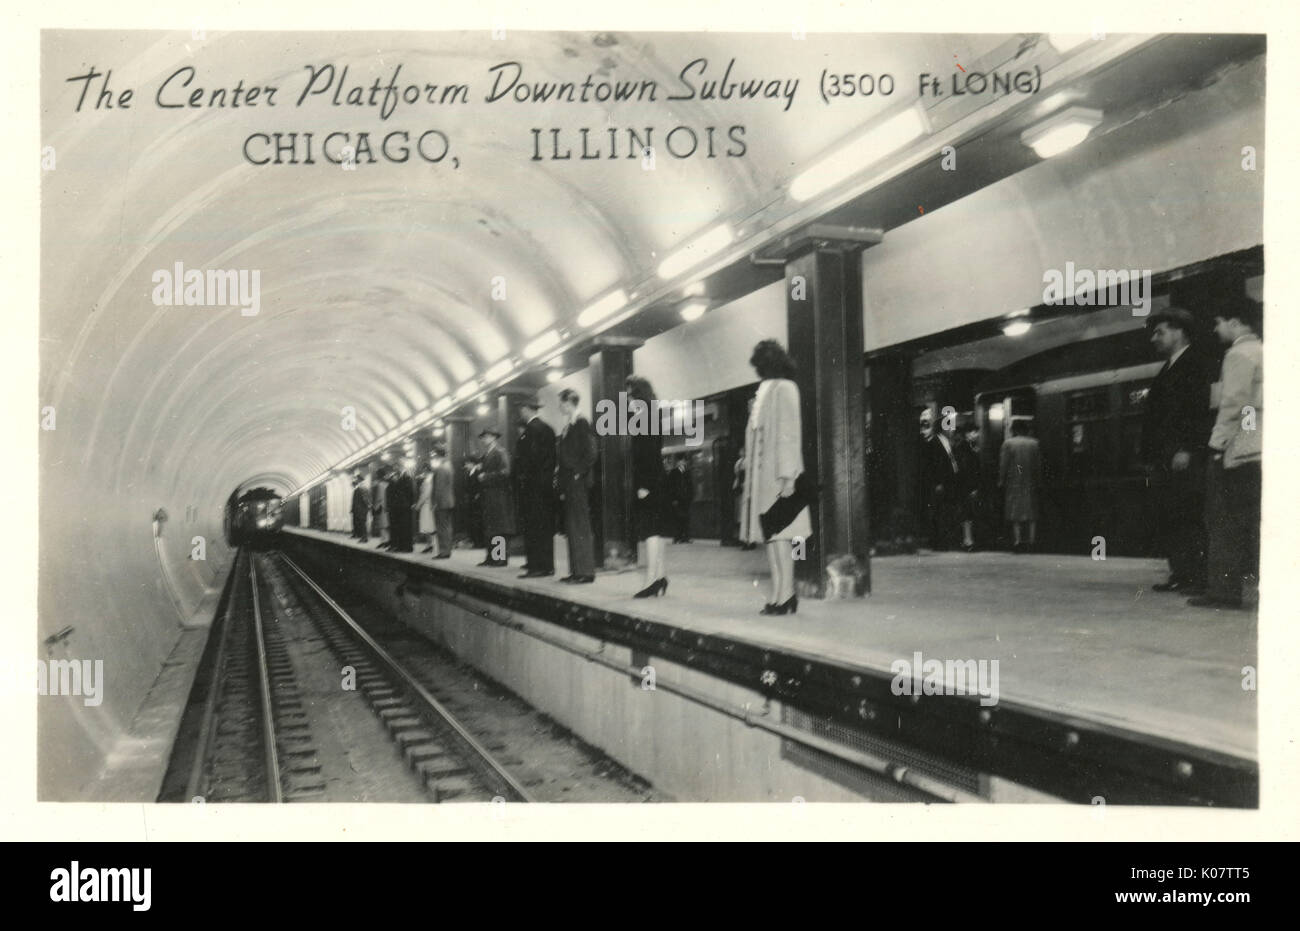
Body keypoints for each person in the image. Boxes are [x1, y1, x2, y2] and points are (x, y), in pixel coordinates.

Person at [1190, 298, 1262, 609]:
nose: (1217, 330)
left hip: (1240, 451)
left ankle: (1224, 591)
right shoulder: (1266, 350)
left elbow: (1234, 404)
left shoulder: (1238, 354)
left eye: (1219, 323)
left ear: (1234, 322)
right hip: (1265, 451)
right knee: (1257, 522)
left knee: (1222, 520)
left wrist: (1216, 445)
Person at [1141, 307, 1212, 594]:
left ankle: (1196, 576)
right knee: (1172, 515)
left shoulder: (1195, 364)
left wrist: (1188, 449)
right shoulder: (1170, 367)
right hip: (1166, 457)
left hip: (1183, 456)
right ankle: (1182, 574)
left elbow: (1199, 412)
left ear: (1180, 331)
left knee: (1188, 515)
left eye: (1160, 332)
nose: (1154, 339)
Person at [739, 339, 812, 615]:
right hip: (762, 479)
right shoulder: (766, 390)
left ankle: (787, 593)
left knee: (782, 535)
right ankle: (780, 594)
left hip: (779, 476)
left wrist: (788, 476)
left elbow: (789, 434)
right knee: (772, 536)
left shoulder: (785, 388)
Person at [626, 376, 671, 597]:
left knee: (650, 532)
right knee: (658, 531)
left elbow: (647, 455)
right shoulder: (652, 415)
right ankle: (660, 576)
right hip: (656, 481)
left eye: (630, 396)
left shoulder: (644, 418)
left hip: (648, 481)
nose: (628, 401)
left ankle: (651, 581)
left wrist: (643, 485)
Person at [555, 387, 597, 584]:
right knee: (572, 527)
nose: (559, 407)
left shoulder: (581, 422)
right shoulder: (569, 424)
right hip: (569, 482)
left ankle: (586, 572)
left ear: (568, 402)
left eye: (561, 403)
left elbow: (591, 453)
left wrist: (578, 474)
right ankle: (576, 570)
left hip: (577, 482)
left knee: (580, 526)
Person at [516, 397, 557, 578]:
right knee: (545, 526)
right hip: (545, 486)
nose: (520, 413)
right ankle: (547, 566)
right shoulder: (548, 429)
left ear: (526, 409)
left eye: (521, 409)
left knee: (533, 526)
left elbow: (529, 459)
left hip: (533, 487)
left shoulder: (531, 430)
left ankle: (536, 566)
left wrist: (524, 478)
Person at [918, 409, 959, 550]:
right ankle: (938, 541)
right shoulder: (935, 442)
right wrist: (938, 482)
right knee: (938, 512)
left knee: (942, 512)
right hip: (940, 484)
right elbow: (936, 464)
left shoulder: (944, 441)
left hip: (946, 483)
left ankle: (941, 540)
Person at [998, 419, 1041, 552]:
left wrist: (1001, 480)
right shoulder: (1035, 443)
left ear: (1014, 430)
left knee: (1015, 512)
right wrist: (1038, 480)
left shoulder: (1008, 444)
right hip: (1030, 482)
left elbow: (1003, 465)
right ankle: (1032, 542)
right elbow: (1038, 465)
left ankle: (1018, 542)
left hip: (1014, 481)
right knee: (1031, 511)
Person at [476, 428, 515, 567]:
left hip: (499, 496)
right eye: (483, 437)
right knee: (491, 527)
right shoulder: (487, 454)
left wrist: (486, 476)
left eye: (486, 437)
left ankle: (500, 557)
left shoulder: (500, 452)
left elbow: (505, 472)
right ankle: (492, 557)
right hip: (490, 496)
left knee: (498, 527)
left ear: (493, 437)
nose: (483, 439)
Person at [952, 418, 981, 552]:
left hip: (964, 486)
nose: (977, 435)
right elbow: (967, 470)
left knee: (967, 514)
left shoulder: (964, 448)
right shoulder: (966, 449)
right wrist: (973, 487)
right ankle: (968, 541)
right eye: (975, 432)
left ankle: (967, 540)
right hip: (967, 487)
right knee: (967, 514)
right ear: (968, 434)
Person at [429, 445, 455, 558]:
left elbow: (438, 488)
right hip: (449, 501)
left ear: (436, 455)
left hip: (441, 502)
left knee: (441, 527)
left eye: (433, 455)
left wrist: (435, 503)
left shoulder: (440, 468)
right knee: (447, 526)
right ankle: (447, 550)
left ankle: (443, 551)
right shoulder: (449, 466)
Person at [386, 459, 416, 552]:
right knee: (399, 527)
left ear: (401, 466)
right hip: (397, 506)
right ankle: (399, 546)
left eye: (397, 466)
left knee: (405, 527)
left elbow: (411, 491)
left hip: (405, 506)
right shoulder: (396, 477)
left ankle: (407, 547)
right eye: (395, 467)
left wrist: (411, 503)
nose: (395, 468)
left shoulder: (407, 476)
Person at [666, 454, 693, 543]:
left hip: (686, 500)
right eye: (681, 461)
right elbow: (670, 487)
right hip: (677, 500)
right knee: (678, 519)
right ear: (678, 462)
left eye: (683, 461)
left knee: (686, 519)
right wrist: (673, 499)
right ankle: (677, 537)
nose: (682, 463)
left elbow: (690, 486)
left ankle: (685, 537)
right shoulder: (673, 473)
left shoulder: (687, 472)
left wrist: (690, 497)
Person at [416, 460, 435, 554]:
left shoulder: (429, 479)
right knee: (429, 526)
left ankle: (430, 545)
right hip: (428, 504)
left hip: (427, 505)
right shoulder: (429, 478)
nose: (423, 472)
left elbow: (425, 494)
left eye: (423, 470)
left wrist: (418, 505)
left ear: (426, 469)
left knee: (428, 526)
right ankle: (429, 545)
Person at [372, 467, 390, 549]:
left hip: (381, 507)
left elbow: (379, 497)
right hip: (387, 507)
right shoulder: (387, 483)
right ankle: (387, 541)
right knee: (386, 525)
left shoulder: (379, 485)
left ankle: (384, 541)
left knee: (382, 525)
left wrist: (375, 506)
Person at [350, 473, 370, 542]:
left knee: (362, 523)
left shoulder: (362, 487)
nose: (356, 480)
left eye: (357, 479)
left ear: (359, 480)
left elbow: (365, 499)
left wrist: (366, 507)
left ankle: (364, 538)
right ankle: (363, 537)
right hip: (362, 509)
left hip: (362, 509)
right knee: (362, 523)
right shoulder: (362, 487)